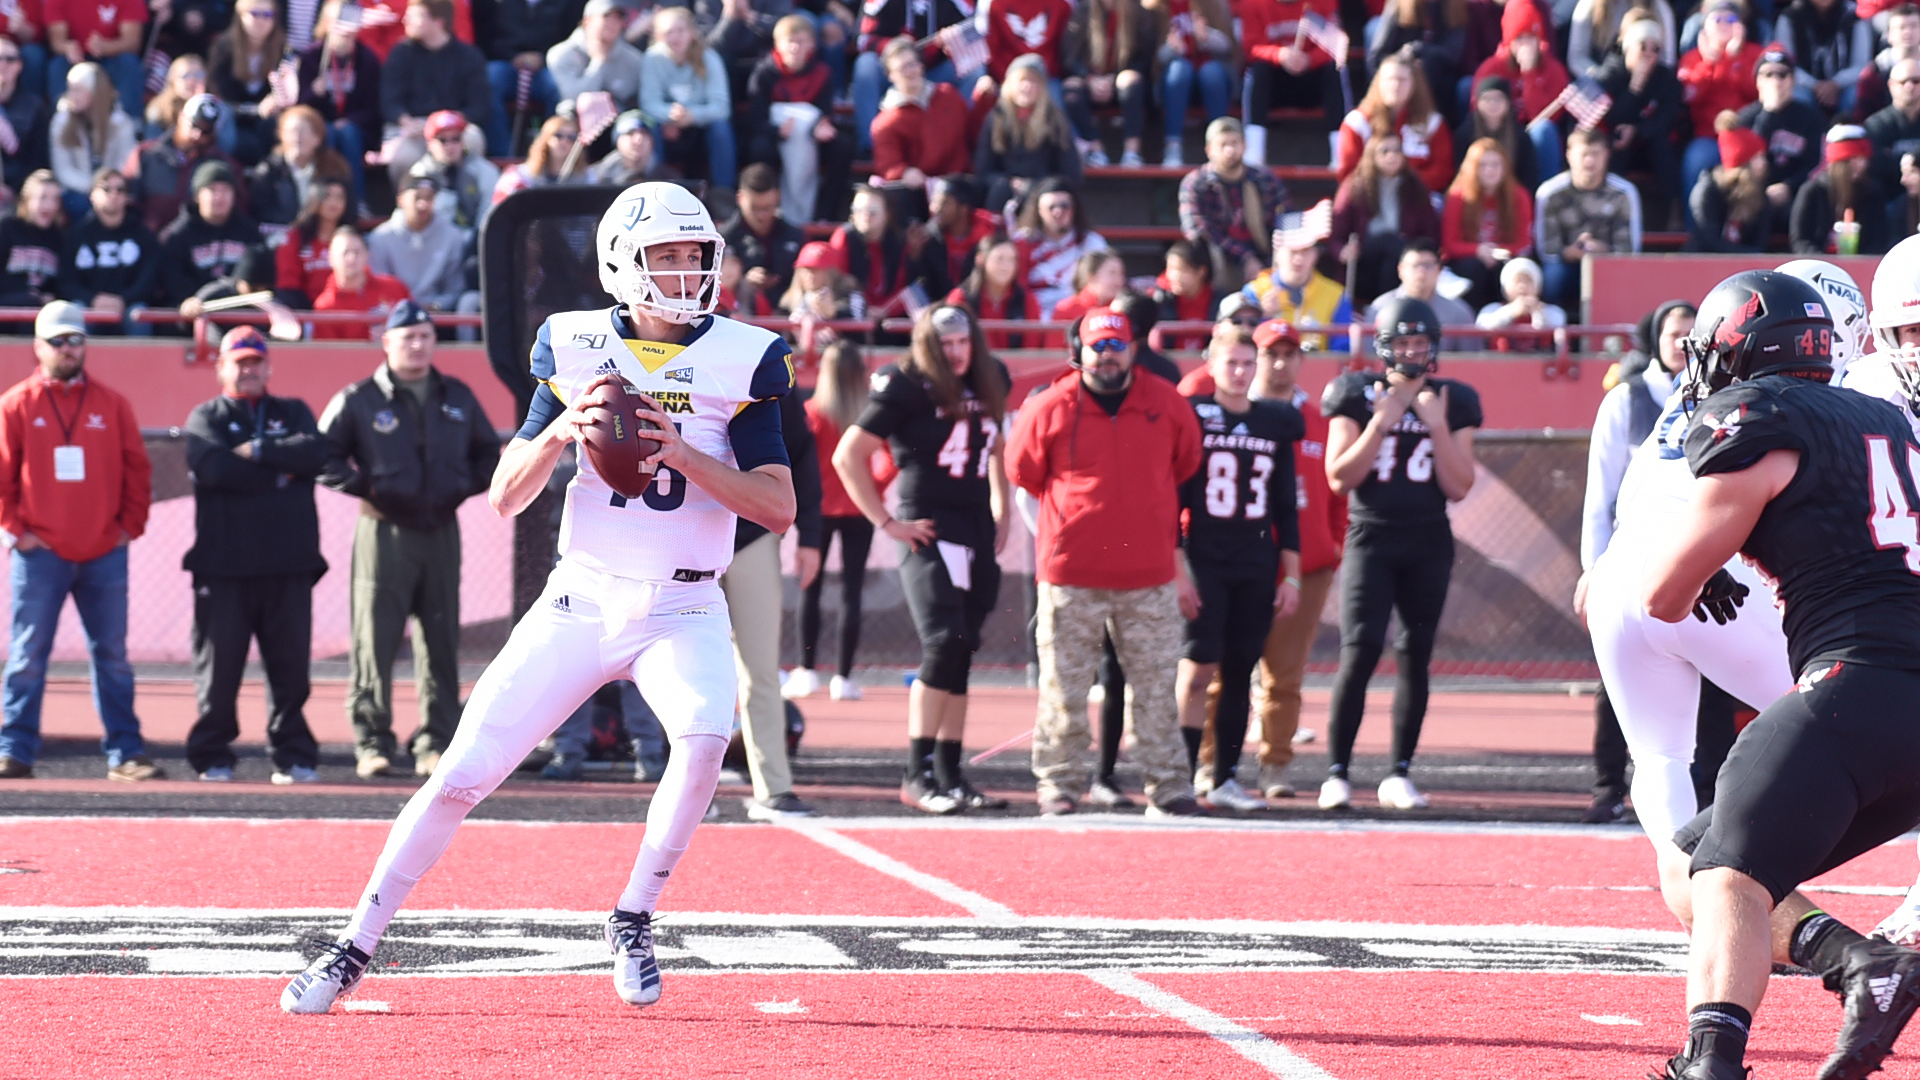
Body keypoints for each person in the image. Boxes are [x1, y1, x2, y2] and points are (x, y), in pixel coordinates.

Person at [282, 182, 797, 1016]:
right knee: (459, 776)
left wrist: (683, 453)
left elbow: (777, 506)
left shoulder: (742, 355)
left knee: (706, 741)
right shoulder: (575, 345)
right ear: (622, 264)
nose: (686, 272)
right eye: (666, 257)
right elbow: (505, 498)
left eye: (695, 255)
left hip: (684, 604)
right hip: (583, 597)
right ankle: (354, 945)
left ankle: (633, 915)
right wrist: (559, 431)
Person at [1638, 268, 1920, 1080]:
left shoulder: (1752, 415)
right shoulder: (1883, 417)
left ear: (1735, 352)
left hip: (1856, 686)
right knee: (1691, 861)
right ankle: (1860, 963)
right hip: (1904, 703)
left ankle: (1711, 1061)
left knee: (1728, 873)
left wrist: (1704, 555)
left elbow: (1662, 597)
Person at [1007, 308, 1205, 817]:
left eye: (1117, 346)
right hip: (1072, 575)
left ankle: (1168, 786)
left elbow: (1186, 462)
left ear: (1133, 349)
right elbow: (1023, 471)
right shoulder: (1050, 407)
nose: (1108, 356)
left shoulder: (1167, 403)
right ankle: (1060, 784)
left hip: (1149, 578)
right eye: (1098, 347)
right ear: (1080, 351)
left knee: (1157, 689)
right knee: (1063, 691)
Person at [833, 305, 1010, 813]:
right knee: (943, 641)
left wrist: (1003, 509)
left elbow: (995, 446)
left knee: (963, 650)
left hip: (975, 526)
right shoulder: (905, 383)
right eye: (945, 345)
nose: (955, 353)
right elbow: (849, 455)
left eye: (962, 343)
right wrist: (886, 522)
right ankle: (916, 773)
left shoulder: (990, 375)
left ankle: (952, 774)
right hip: (927, 527)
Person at [316, 300, 499, 780]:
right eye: (407, 337)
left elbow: (487, 453)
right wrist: (367, 489)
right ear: (386, 343)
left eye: (424, 336)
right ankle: (372, 742)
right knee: (373, 639)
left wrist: (460, 487)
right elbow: (323, 454)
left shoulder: (456, 395)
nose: (417, 345)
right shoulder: (360, 398)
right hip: (384, 533)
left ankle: (436, 742)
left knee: (440, 639)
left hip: (441, 530)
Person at [1318, 295, 1481, 810]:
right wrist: (1381, 421)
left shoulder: (1454, 398)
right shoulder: (1355, 392)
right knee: (1359, 650)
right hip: (1372, 535)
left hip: (1428, 537)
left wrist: (1434, 425)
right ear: (1385, 347)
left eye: (1420, 342)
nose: (1412, 352)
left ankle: (1398, 772)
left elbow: (1459, 486)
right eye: (1403, 342)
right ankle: (1337, 771)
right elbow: (1340, 477)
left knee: (1415, 654)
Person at [0, 301, 155, 781]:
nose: (69, 350)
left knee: (112, 657)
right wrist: (15, 532)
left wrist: (131, 526)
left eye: (76, 340)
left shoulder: (112, 404)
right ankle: (13, 749)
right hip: (40, 553)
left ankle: (125, 753)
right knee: (27, 655)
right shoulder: (16, 404)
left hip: (104, 552)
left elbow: (138, 470)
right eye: (59, 341)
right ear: (39, 346)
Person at [182, 326, 327, 784]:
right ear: (221, 366)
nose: (248, 370)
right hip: (223, 568)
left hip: (289, 565)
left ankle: (293, 754)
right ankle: (213, 754)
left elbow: (316, 453)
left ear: (268, 366)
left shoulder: (294, 410)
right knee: (219, 672)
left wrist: (260, 452)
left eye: (255, 361)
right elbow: (214, 467)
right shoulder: (205, 416)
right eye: (239, 362)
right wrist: (280, 475)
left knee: (290, 672)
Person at [1176, 324, 1302, 810]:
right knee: (1197, 666)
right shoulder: (1194, 416)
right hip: (1205, 554)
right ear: (1210, 363)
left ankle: (1224, 776)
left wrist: (1289, 574)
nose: (1240, 371)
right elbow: (1175, 500)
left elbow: (1286, 506)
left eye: (1247, 363)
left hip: (1255, 558)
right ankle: (1181, 775)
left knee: (1239, 668)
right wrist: (1178, 567)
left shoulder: (1276, 420)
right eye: (1231, 362)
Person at [1578, 297, 1694, 820]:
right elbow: (1600, 494)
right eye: (1675, 334)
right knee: (1617, 677)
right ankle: (1608, 787)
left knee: (1705, 677)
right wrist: (1594, 568)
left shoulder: (1714, 397)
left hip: (1694, 557)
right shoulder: (1626, 399)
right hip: (1632, 558)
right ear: (1655, 338)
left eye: (1695, 336)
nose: (1684, 345)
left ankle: (1708, 798)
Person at [792, 340, 895, 702]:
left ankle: (806, 671)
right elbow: (891, 458)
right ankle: (843, 677)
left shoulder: (812, 413)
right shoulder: (868, 415)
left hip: (819, 511)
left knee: (811, 587)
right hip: (858, 510)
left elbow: (799, 463)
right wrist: (873, 488)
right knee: (852, 591)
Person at [743, 14, 848, 227]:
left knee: (842, 148)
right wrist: (777, 130)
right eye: (790, 41)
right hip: (775, 134)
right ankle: (772, 209)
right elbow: (755, 118)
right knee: (760, 150)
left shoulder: (822, 73)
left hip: (810, 136)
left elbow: (824, 113)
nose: (795, 48)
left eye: (801, 42)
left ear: (811, 44)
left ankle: (824, 213)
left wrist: (818, 125)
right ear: (778, 44)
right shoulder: (764, 73)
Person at [380, 0, 492, 186]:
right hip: (412, 127)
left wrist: (449, 123)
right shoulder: (400, 53)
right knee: (401, 156)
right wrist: (407, 122)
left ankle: (465, 200)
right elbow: (389, 102)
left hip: (454, 125)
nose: (406, 19)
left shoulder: (469, 56)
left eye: (415, 15)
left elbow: (479, 106)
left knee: (473, 139)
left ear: (438, 21)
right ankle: (410, 204)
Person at [1177, 117, 1289, 293]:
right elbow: (1198, 230)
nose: (1230, 150)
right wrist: (1245, 258)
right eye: (1223, 145)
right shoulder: (1195, 183)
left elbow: (1285, 217)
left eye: (1235, 143)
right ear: (1209, 150)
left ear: (1244, 145)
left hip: (1265, 254)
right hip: (1219, 259)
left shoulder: (1266, 179)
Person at [1535, 127, 1643, 308]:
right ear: (1569, 155)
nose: (1590, 160)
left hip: (1608, 264)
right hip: (1565, 263)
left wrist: (1603, 251)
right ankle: (1553, 331)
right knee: (1553, 277)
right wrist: (1569, 252)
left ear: (1606, 155)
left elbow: (1629, 249)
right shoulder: (1550, 192)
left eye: (1595, 153)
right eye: (1584, 154)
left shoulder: (1624, 192)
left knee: (1625, 278)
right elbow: (1546, 249)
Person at [1594, 14, 1684, 230]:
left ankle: (1673, 212)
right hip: (1617, 144)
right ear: (1629, 47)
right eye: (1643, 47)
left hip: (1649, 141)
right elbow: (1611, 117)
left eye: (1656, 49)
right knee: (1613, 145)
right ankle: (1607, 214)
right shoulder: (1610, 73)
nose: (1649, 54)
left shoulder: (1666, 79)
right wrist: (1634, 88)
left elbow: (1665, 120)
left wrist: (1637, 131)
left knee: (1662, 145)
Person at [1331, 133, 1442, 307]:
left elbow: (1429, 232)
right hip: (1363, 262)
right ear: (1372, 155)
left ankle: (1387, 309)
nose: (1392, 156)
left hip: (1400, 263)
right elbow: (1336, 234)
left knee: (1393, 260)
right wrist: (1342, 251)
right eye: (1385, 151)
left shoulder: (1415, 186)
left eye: (1397, 150)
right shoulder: (1354, 186)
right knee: (1388, 241)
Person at [1678, 0, 1761, 225]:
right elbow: (1690, 97)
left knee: (1759, 165)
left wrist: (1735, 60)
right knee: (1695, 161)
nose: (1725, 24)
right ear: (1704, 27)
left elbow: (1758, 94)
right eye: (1718, 19)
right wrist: (1710, 63)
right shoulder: (1692, 58)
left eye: (1732, 19)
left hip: (1746, 137)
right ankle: (1695, 230)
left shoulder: (1754, 54)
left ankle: (1748, 233)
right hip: (1708, 137)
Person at [296, 0, 384, 207]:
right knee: (328, 133)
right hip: (321, 126)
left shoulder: (367, 59)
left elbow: (374, 108)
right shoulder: (311, 58)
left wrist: (349, 121)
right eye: (339, 21)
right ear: (327, 23)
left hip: (358, 129)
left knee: (347, 133)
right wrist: (313, 93)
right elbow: (301, 107)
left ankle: (356, 202)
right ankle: (319, 199)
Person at [1236, 0, 1345, 165]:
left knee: (1333, 70)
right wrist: (1279, 55)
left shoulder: (1323, 2)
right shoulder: (1253, 4)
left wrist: (1309, 60)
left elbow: (1335, 44)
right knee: (1257, 70)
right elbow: (1251, 47)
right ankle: (1254, 151)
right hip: (1274, 85)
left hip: (1310, 82)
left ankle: (1340, 151)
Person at [972, 54, 1082, 215]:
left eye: (1033, 81)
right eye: (1021, 81)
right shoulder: (996, 118)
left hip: (1042, 189)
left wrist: (1037, 185)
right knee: (999, 190)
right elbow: (983, 168)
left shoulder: (1055, 119)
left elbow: (1070, 170)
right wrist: (1010, 182)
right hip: (1004, 187)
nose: (1027, 86)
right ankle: (995, 236)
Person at [871, 36, 981, 197]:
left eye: (913, 64)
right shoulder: (886, 122)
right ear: (890, 75)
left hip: (959, 184)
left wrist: (984, 100)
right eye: (903, 68)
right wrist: (904, 172)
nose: (911, 71)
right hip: (919, 192)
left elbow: (973, 133)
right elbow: (888, 165)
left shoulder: (949, 95)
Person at [641, 5, 736, 190]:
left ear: (692, 33)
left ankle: (725, 192)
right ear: (659, 36)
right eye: (668, 32)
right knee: (649, 126)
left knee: (721, 128)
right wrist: (670, 114)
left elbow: (721, 107)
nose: (675, 38)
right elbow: (649, 102)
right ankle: (654, 187)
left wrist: (690, 115)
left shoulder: (709, 58)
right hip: (668, 127)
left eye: (680, 31)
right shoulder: (652, 59)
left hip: (701, 127)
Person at [1470, 2, 1568, 180]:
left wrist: (1529, 74)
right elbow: (1478, 110)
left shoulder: (1553, 69)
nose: (1525, 45)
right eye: (1519, 39)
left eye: (1530, 37)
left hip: (1532, 134)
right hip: (1501, 132)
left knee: (1544, 130)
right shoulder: (1492, 68)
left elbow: (1546, 116)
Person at [1337, 49, 1455, 196]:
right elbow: (1348, 172)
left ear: (1415, 84)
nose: (1395, 85)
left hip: (1418, 197)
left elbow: (1443, 170)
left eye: (1402, 80)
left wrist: (1406, 187)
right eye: (1389, 79)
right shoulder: (1357, 123)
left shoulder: (1432, 123)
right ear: (1378, 82)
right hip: (1370, 197)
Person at [125, 92, 247, 234]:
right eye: (194, 125)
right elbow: (128, 200)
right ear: (181, 118)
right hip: (150, 242)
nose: (197, 135)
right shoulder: (146, 154)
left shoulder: (223, 166)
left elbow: (239, 210)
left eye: (205, 131)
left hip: (199, 245)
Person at [156, 160, 261, 323]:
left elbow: (256, 274)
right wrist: (191, 299)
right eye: (212, 190)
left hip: (238, 308)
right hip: (194, 310)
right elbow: (173, 278)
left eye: (226, 190)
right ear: (198, 195)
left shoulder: (249, 231)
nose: (219, 197)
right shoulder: (179, 235)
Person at [58, 167, 159, 333]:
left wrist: (123, 300)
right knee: (75, 312)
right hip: (88, 305)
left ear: (127, 197)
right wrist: (92, 300)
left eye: (120, 190)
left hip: (129, 306)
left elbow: (150, 279)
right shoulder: (77, 235)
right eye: (106, 189)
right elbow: (66, 281)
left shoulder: (143, 234)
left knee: (140, 314)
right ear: (92, 195)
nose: (114, 194)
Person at [367, 169, 478, 319]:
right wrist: (404, 307)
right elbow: (379, 285)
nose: (423, 204)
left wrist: (437, 306)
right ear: (401, 200)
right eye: (417, 197)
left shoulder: (452, 236)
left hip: (438, 315)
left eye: (429, 198)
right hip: (394, 316)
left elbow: (455, 288)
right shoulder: (380, 238)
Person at [1441, 136, 1534, 310]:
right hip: (1468, 261)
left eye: (1495, 165)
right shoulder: (1457, 197)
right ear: (1472, 168)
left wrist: (1496, 252)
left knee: (1509, 270)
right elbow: (1449, 245)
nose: (1490, 170)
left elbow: (1524, 243)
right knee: (1474, 268)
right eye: (1482, 165)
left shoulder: (1519, 196)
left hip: (1504, 257)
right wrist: (1478, 250)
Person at [828, 185, 950, 318]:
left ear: (887, 214)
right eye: (858, 210)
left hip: (896, 309)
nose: (865, 216)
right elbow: (839, 283)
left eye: (873, 211)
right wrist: (865, 310)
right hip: (856, 309)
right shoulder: (844, 236)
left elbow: (909, 284)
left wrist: (914, 257)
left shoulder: (903, 237)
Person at [473, 0, 575, 159]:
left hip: (548, 64)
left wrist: (543, 56)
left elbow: (569, 37)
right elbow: (483, 37)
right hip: (505, 62)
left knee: (558, 87)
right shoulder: (494, 3)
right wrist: (512, 56)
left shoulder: (566, 3)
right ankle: (503, 155)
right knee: (489, 80)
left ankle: (551, 154)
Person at [1060, 0, 1155, 166]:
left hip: (1122, 79)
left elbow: (1144, 56)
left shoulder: (1138, 12)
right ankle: (1096, 150)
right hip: (1090, 80)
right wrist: (1089, 78)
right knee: (1071, 89)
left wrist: (1115, 77)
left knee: (1132, 81)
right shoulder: (1084, 11)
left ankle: (1132, 152)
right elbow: (1069, 56)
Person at [1737, 46, 1825, 216]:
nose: (1776, 81)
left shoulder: (1811, 117)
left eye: (1783, 74)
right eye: (1768, 75)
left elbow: (1815, 163)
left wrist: (1789, 186)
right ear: (1758, 81)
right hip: (1755, 193)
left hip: (1798, 194)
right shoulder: (1744, 119)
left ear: (1792, 80)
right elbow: (1745, 162)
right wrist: (1769, 113)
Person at [247, 105, 353, 241]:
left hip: (324, 240)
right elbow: (259, 213)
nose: (297, 137)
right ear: (281, 136)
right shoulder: (267, 171)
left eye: (303, 131)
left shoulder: (335, 168)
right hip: (280, 238)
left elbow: (348, 210)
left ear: (317, 138)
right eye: (292, 132)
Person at [48, 62, 135, 222]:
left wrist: (106, 188)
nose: (71, 95)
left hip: (112, 189)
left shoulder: (121, 123)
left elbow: (125, 164)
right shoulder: (61, 121)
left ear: (95, 93)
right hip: (78, 189)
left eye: (78, 90)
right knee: (79, 205)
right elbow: (62, 169)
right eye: (70, 89)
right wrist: (95, 187)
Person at [1153, 0, 1234, 166]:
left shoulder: (1213, 4)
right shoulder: (1156, 7)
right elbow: (1152, 59)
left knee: (1211, 72)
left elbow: (1231, 47)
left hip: (1211, 83)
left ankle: (1219, 143)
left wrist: (1206, 37)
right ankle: (1173, 146)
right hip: (1175, 87)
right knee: (1179, 69)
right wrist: (1172, 49)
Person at [207, 0, 289, 165]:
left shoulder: (283, 50)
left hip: (267, 123)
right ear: (240, 16)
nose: (261, 20)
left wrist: (276, 102)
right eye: (255, 14)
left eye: (268, 15)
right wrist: (257, 110)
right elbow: (221, 97)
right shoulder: (223, 48)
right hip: (233, 121)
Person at [1791, 125, 1894, 255]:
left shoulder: (1873, 192)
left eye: (1863, 159)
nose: (1861, 165)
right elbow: (1800, 239)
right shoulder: (1812, 191)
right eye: (1853, 160)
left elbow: (1878, 239)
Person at [42, 0, 148, 122]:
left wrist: (106, 47)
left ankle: (132, 123)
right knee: (57, 66)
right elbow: (57, 42)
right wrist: (68, 47)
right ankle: (61, 123)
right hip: (76, 59)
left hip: (112, 56)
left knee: (129, 62)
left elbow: (132, 42)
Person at [1243, 236, 1354, 351]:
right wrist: (1265, 317)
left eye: (1305, 251)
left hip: (1316, 365)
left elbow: (1342, 350)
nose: (1299, 259)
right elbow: (1245, 346)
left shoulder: (1336, 295)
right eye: (1293, 252)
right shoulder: (1254, 291)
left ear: (1315, 255)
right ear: (1277, 254)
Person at [1689, 114, 1779, 252]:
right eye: (1758, 158)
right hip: (1705, 265)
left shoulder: (1760, 196)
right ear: (1744, 165)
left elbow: (1760, 242)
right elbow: (1707, 241)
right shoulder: (1708, 191)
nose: (1764, 163)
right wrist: (1749, 255)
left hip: (1747, 266)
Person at [1017, 178, 1108, 314]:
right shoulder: (1022, 242)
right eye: (1051, 207)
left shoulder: (1092, 243)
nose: (1058, 212)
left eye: (1065, 206)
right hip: (1032, 315)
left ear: (1074, 209)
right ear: (1038, 210)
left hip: (1079, 315)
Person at [1362, 238, 1475, 347]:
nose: (1421, 272)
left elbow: (1472, 361)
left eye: (1427, 265)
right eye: (1415, 266)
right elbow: (1370, 355)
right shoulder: (1380, 308)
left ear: (1439, 270)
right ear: (1400, 270)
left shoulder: (1459, 313)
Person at [1773, 0, 1872, 118]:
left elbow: (1862, 65)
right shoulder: (1790, 17)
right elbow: (1785, 63)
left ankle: (1848, 132)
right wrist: (1815, 85)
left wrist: (1835, 84)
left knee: (1856, 94)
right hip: (1806, 85)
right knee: (1796, 95)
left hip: (1844, 85)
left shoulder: (1855, 15)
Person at [312, 228, 414, 340]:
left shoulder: (394, 286)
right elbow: (329, 353)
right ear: (331, 258)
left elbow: (416, 327)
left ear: (367, 255)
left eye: (357, 252)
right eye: (345, 253)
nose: (352, 258)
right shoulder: (325, 307)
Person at [949, 233, 1040, 352]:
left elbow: (1031, 351)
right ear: (980, 260)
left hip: (1018, 369)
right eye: (999, 259)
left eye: (1012, 260)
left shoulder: (1028, 301)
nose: (1006, 266)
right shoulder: (961, 298)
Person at [409, 112, 500, 230]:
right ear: (429, 144)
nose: (450, 146)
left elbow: (489, 214)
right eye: (442, 140)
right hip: (434, 240)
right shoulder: (419, 173)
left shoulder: (486, 171)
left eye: (455, 139)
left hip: (475, 236)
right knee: (443, 201)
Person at [548, 0, 644, 110]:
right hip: (574, 119)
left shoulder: (634, 59)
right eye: (606, 17)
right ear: (587, 21)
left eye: (618, 18)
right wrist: (598, 61)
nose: (612, 23)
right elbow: (574, 98)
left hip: (619, 118)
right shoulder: (561, 54)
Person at [275, 175, 353, 307]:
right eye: (327, 196)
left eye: (340, 197)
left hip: (346, 309)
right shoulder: (294, 239)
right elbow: (288, 286)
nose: (334, 202)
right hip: (305, 312)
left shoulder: (353, 239)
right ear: (315, 199)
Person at [1454, 76, 1539, 195]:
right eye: (1486, 99)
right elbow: (1460, 172)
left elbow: (1528, 177)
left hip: (1510, 194)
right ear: (1477, 103)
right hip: (1474, 192)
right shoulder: (1465, 134)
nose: (1492, 104)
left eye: (1498, 99)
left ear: (1508, 103)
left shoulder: (1520, 136)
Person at [0, 170, 65, 309]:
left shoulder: (59, 238)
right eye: (42, 198)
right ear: (27, 199)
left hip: (39, 311)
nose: (50, 206)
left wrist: (51, 295)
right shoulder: (7, 228)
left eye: (55, 199)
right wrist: (27, 295)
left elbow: (62, 284)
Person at [1473, 256, 1566, 350]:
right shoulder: (1491, 309)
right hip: (1500, 362)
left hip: (1538, 361)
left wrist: (1537, 313)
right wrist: (1511, 312)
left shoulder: (1552, 311)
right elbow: (1482, 328)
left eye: (1528, 281)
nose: (1522, 286)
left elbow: (1554, 327)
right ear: (1505, 289)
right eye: (1517, 281)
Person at [0, 34, 53, 197]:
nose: (3, 64)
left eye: (10, 59)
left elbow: (38, 161)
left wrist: (14, 190)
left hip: (20, 193)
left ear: (20, 66)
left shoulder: (34, 107)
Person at [1568, 0, 1677, 79]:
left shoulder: (1657, 6)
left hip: (1647, 81)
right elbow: (1577, 58)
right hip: (1604, 76)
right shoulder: (1589, 4)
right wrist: (1601, 79)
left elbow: (1667, 58)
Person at [491, 113, 583, 201]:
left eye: (572, 137)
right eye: (558, 135)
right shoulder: (519, 176)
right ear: (546, 138)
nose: (564, 141)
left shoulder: (586, 178)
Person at [1152, 239, 1223, 351]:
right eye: (1170, 269)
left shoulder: (1221, 302)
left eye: (1182, 270)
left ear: (1201, 271)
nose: (1174, 276)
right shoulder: (1160, 300)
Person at [928, 176, 998, 289]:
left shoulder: (988, 237)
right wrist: (915, 257)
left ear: (963, 208)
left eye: (944, 203)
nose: (936, 209)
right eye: (934, 201)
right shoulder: (932, 237)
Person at [1865, 56, 1920, 196]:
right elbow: (1876, 165)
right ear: (1891, 85)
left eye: (1916, 81)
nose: (1910, 86)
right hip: (1890, 196)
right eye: (1903, 82)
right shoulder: (1875, 125)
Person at [588, 110, 672, 186]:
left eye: (644, 133)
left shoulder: (669, 180)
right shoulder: (595, 177)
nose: (638, 140)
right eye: (630, 133)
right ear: (618, 141)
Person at [1046, 248, 1127, 323]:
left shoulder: (1124, 309)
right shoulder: (1067, 309)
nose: (1119, 280)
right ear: (1091, 276)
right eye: (1112, 273)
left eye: (1121, 274)